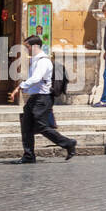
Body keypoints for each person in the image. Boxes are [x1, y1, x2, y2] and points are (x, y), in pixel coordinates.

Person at [9, 34, 75, 162]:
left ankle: (68, 143)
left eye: (27, 46)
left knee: (42, 126)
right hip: (35, 98)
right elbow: (35, 81)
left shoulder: (43, 61)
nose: (25, 49)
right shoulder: (35, 60)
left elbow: (36, 78)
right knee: (26, 125)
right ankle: (28, 156)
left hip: (43, 99)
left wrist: (19, 88)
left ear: (34, 46)